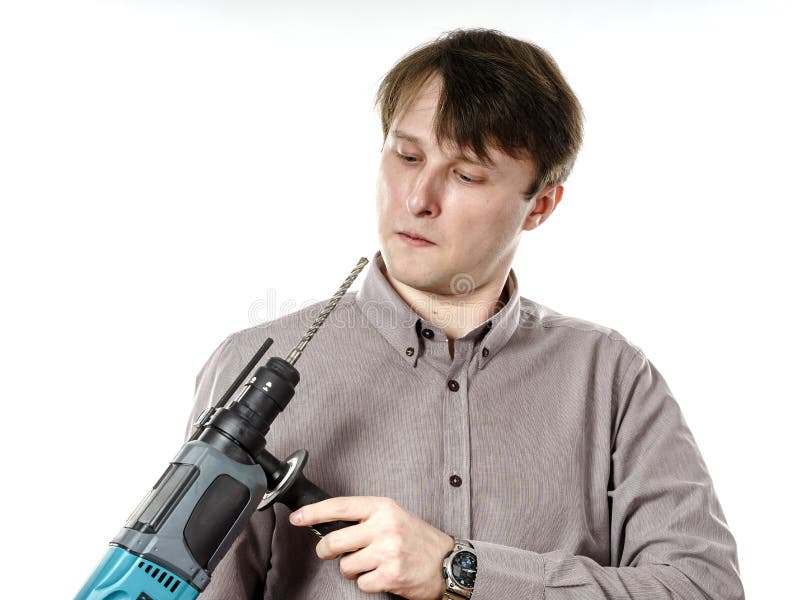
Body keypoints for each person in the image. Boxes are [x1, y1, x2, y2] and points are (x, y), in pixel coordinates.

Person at [187, 28, 744, 599]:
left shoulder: (613, 378)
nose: (418, 199)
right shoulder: (251, 366)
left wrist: (462, 570)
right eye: (407, 156)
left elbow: (704, 589)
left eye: (466, 174)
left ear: (541, 205)